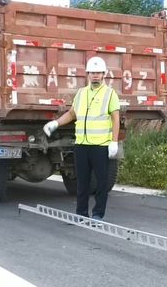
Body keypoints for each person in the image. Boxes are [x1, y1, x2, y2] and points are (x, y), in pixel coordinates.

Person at [43, 56, 120, 221]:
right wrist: (55, 123)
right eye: (92, 72)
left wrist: (114, 141)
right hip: (82, 145)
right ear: (88, 74)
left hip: (100, 146)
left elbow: (115, 118)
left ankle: (98, 214)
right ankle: (81, 213)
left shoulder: (110, 94)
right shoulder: (81, 93)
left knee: (101, 183)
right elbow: (72, 114)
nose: (95, 76)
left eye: (98, 73)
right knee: (82, 182)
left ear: (104, 74)